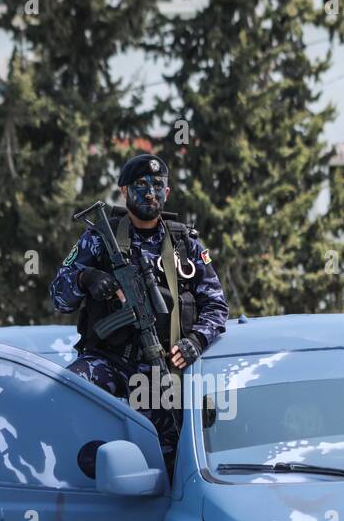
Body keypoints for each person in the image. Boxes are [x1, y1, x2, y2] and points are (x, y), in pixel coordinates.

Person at [51, 153, 228, 468]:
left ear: (167, 193)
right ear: (123, 191)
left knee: (169, 455)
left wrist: (197, 341)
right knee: (70, 391)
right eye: (141, 185)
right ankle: (86, 467)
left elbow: (216, 305)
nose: (150, 193)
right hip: (109, 361)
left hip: (162, 369)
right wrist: (85, 277)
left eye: (158, 186)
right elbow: (59, 298)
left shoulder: (186, 243)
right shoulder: (98, 238)